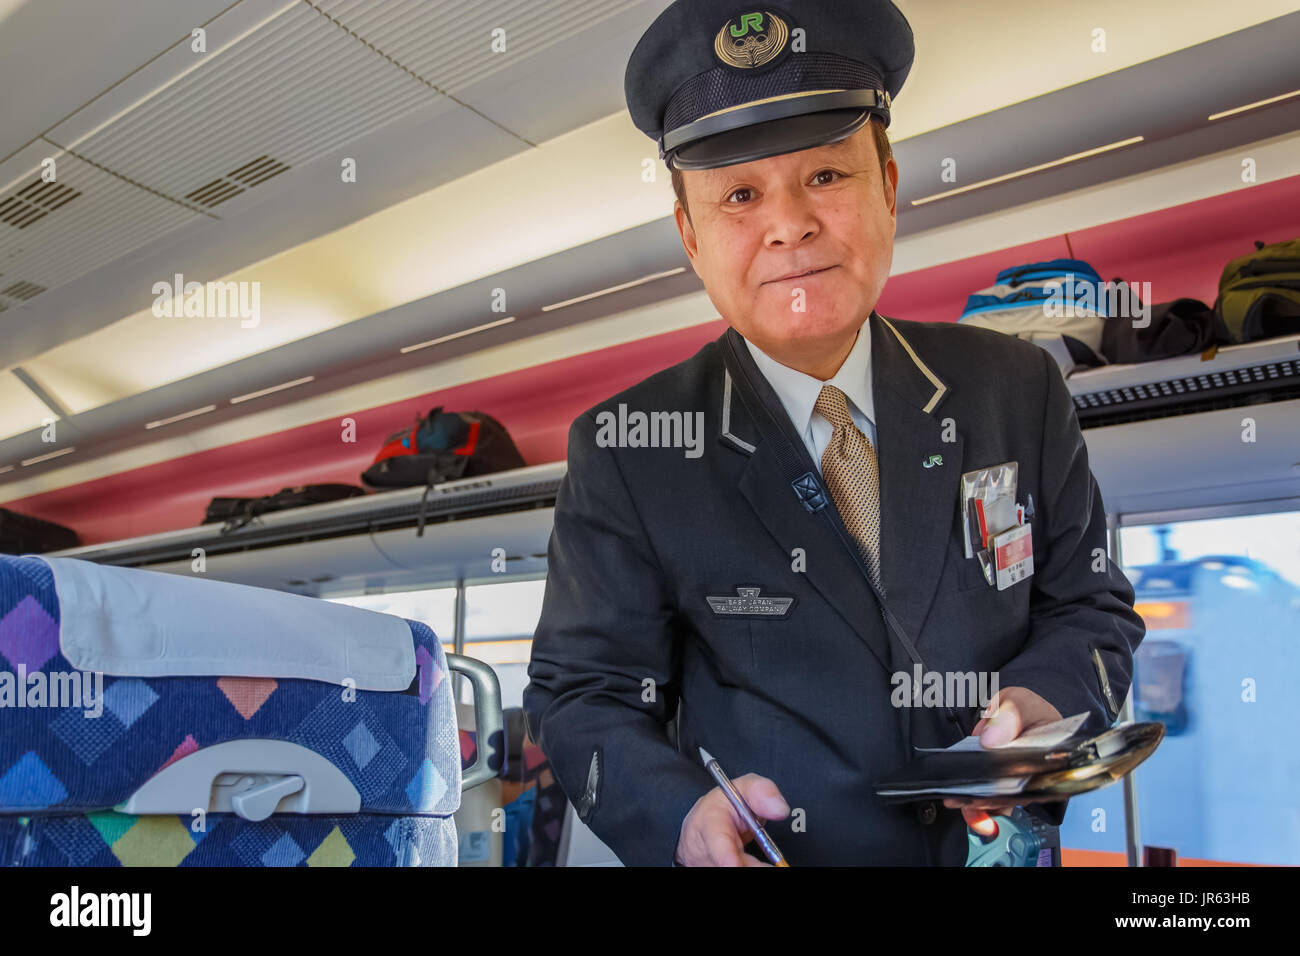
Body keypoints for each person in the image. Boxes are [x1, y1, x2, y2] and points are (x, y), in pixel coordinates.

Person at [523, 0, 1145, 866]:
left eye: (825, 177)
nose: (790, 225)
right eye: (740, 194)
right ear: (690, 237)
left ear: (887, 191)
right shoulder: (630, 447)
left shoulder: (1016, 386)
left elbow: (1093, 606)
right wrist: (679, 818)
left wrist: (1040, 700)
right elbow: (581, 694)